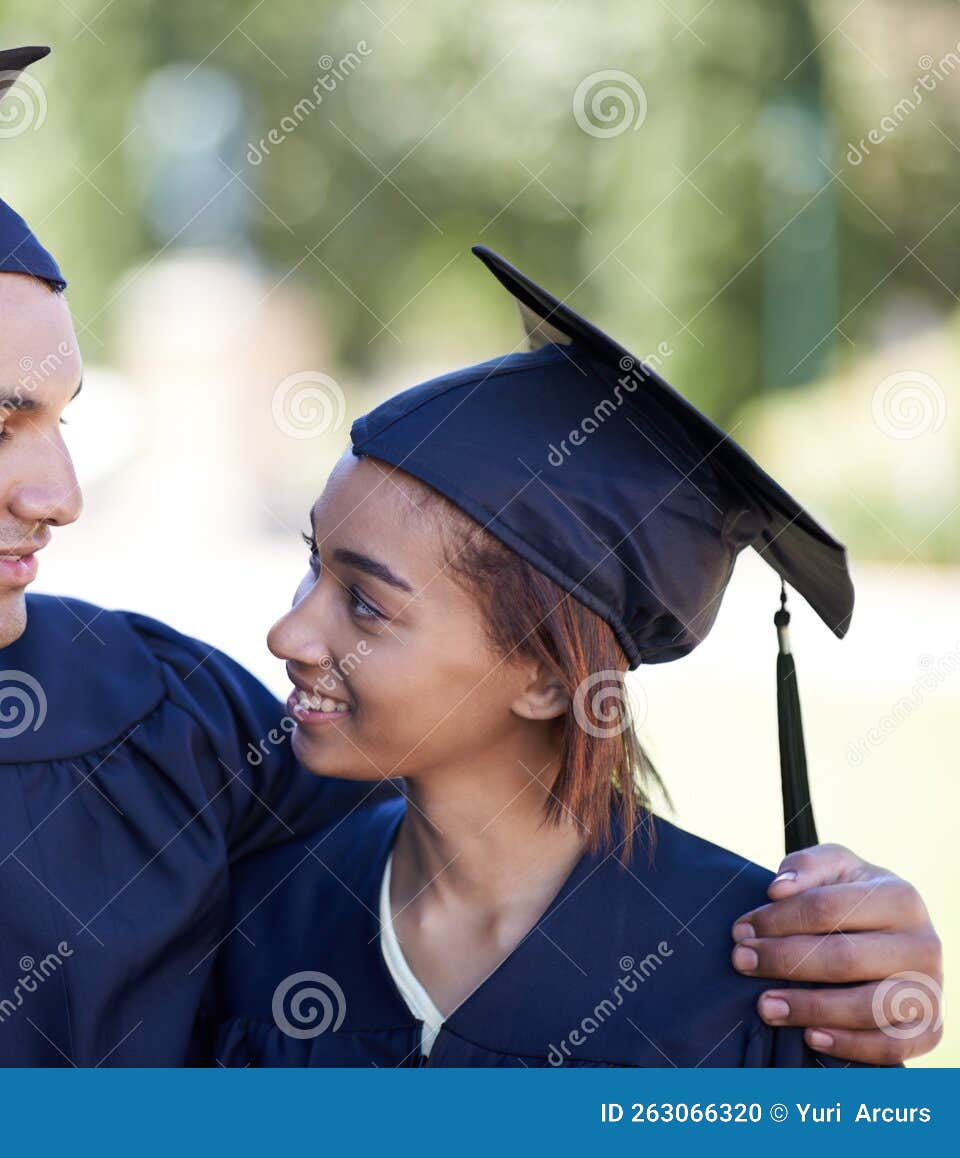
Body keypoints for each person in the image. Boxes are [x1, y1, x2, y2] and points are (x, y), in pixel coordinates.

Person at [0, 55, 941, 1067]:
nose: (58, 489)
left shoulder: (168, 725)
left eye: (61, 418)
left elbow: (494, 840)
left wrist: (832, 949)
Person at [200, 247, 942, 1066]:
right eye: (314, 562)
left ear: (552, 679)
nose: (289, 635)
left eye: (366, 603)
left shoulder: (757, 992)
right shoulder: (265, 920)